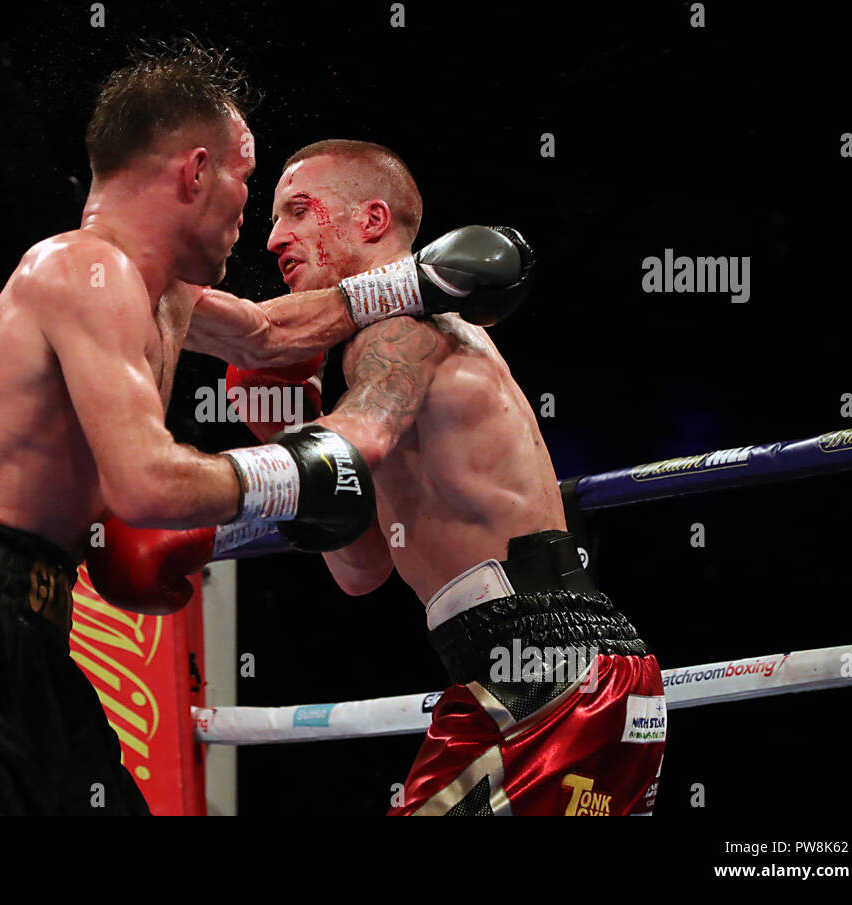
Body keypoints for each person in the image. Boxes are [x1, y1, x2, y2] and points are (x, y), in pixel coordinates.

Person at [0, 43, 497, 816]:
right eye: (245, 180)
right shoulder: (77, 270)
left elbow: (271, 333)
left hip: (38, 628)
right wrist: (301, 471)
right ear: (196, 173)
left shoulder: (166, 294)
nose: (253, 219)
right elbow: (144, 482)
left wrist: (417, 280)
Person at [92, 139, 664, 817]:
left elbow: (359, 432)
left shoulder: (403, 332)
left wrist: (206, 504)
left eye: (298, 211)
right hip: (558, 674)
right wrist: (285, 427)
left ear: (371, 220)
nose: (274, 239)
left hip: (545, 680)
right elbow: (362, 568)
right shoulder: (388, 335)